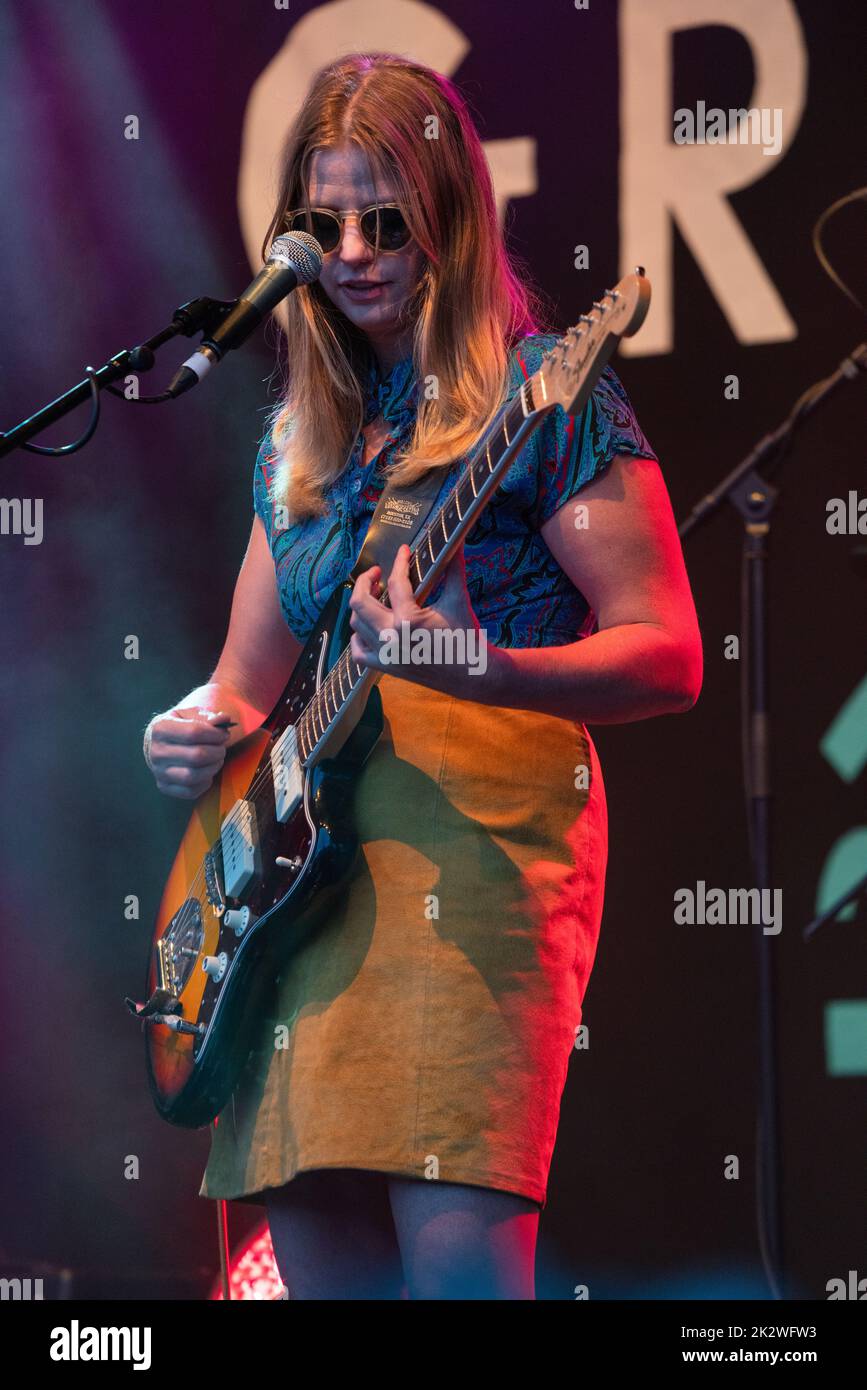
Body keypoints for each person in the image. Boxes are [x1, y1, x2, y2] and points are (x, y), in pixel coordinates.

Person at [142, 52, 702, 1300]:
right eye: (321, 222)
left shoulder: (544, 394)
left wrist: (482, 663)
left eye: (382, 219)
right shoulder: (300, 438)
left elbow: (667, 652)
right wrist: (185, 727)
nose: (348, 249)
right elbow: (239, 684)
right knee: (317, 1248)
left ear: (449, 218)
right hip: (299, 883)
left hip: (478, 842)